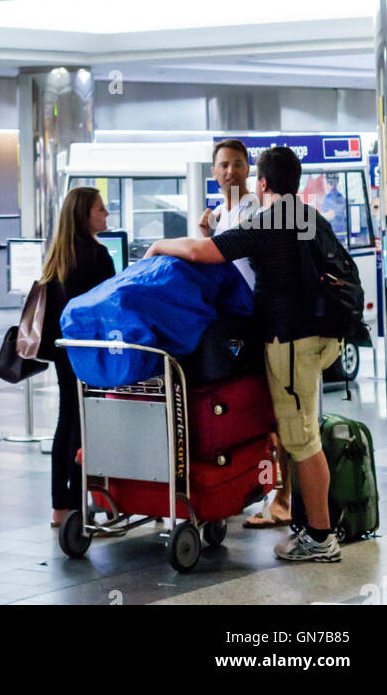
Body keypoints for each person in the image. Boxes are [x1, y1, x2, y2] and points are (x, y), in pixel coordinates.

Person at [146, 145, 342, 563]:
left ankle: (320, 539)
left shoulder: (267, 222)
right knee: (306, 434)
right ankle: (314, 529)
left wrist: (160, 244)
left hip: (292, 341)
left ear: (263, 183)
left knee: (302, 441)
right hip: (324, 336)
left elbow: (204, 253)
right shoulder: (309, 217)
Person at [200, 139, 292, 530]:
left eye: (239, 164)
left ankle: (284, 495)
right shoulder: (223, 213)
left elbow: (219, 256)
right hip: (237, 324)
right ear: (214, 171)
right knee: (252, 407)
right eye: (224, 165)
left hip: (259, 320)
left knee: (275, 410)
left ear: (250, 171)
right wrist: (205, 230)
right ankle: (254, 487)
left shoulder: (253, 210)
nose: (231, 171)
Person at [38, 186, 116, 528]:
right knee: (85, 425)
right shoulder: (98, 257)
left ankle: (61, 504)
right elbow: (111, 306)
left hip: (63, 351)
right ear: (86, 215)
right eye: (101, 209)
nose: (106, 214)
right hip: (91, 352)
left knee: (66, 419)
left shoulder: (58, 258)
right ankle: (89, 499)